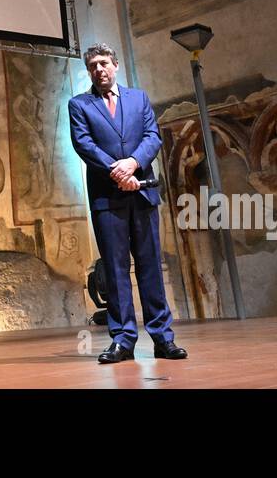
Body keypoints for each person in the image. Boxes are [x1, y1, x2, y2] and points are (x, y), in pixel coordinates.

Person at [67, 43, 186, 364]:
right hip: (108, 198)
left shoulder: (139, 98)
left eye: (103, 63)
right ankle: (123, 341)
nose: (99, 70)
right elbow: (84, 144)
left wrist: (132, 163)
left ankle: (163, 338)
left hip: (143, 192)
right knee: (116, 271)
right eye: (92, 66)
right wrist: (116, 170)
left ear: (115, 65)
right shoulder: (79, 104)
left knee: (150, 267)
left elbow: (152, 136)